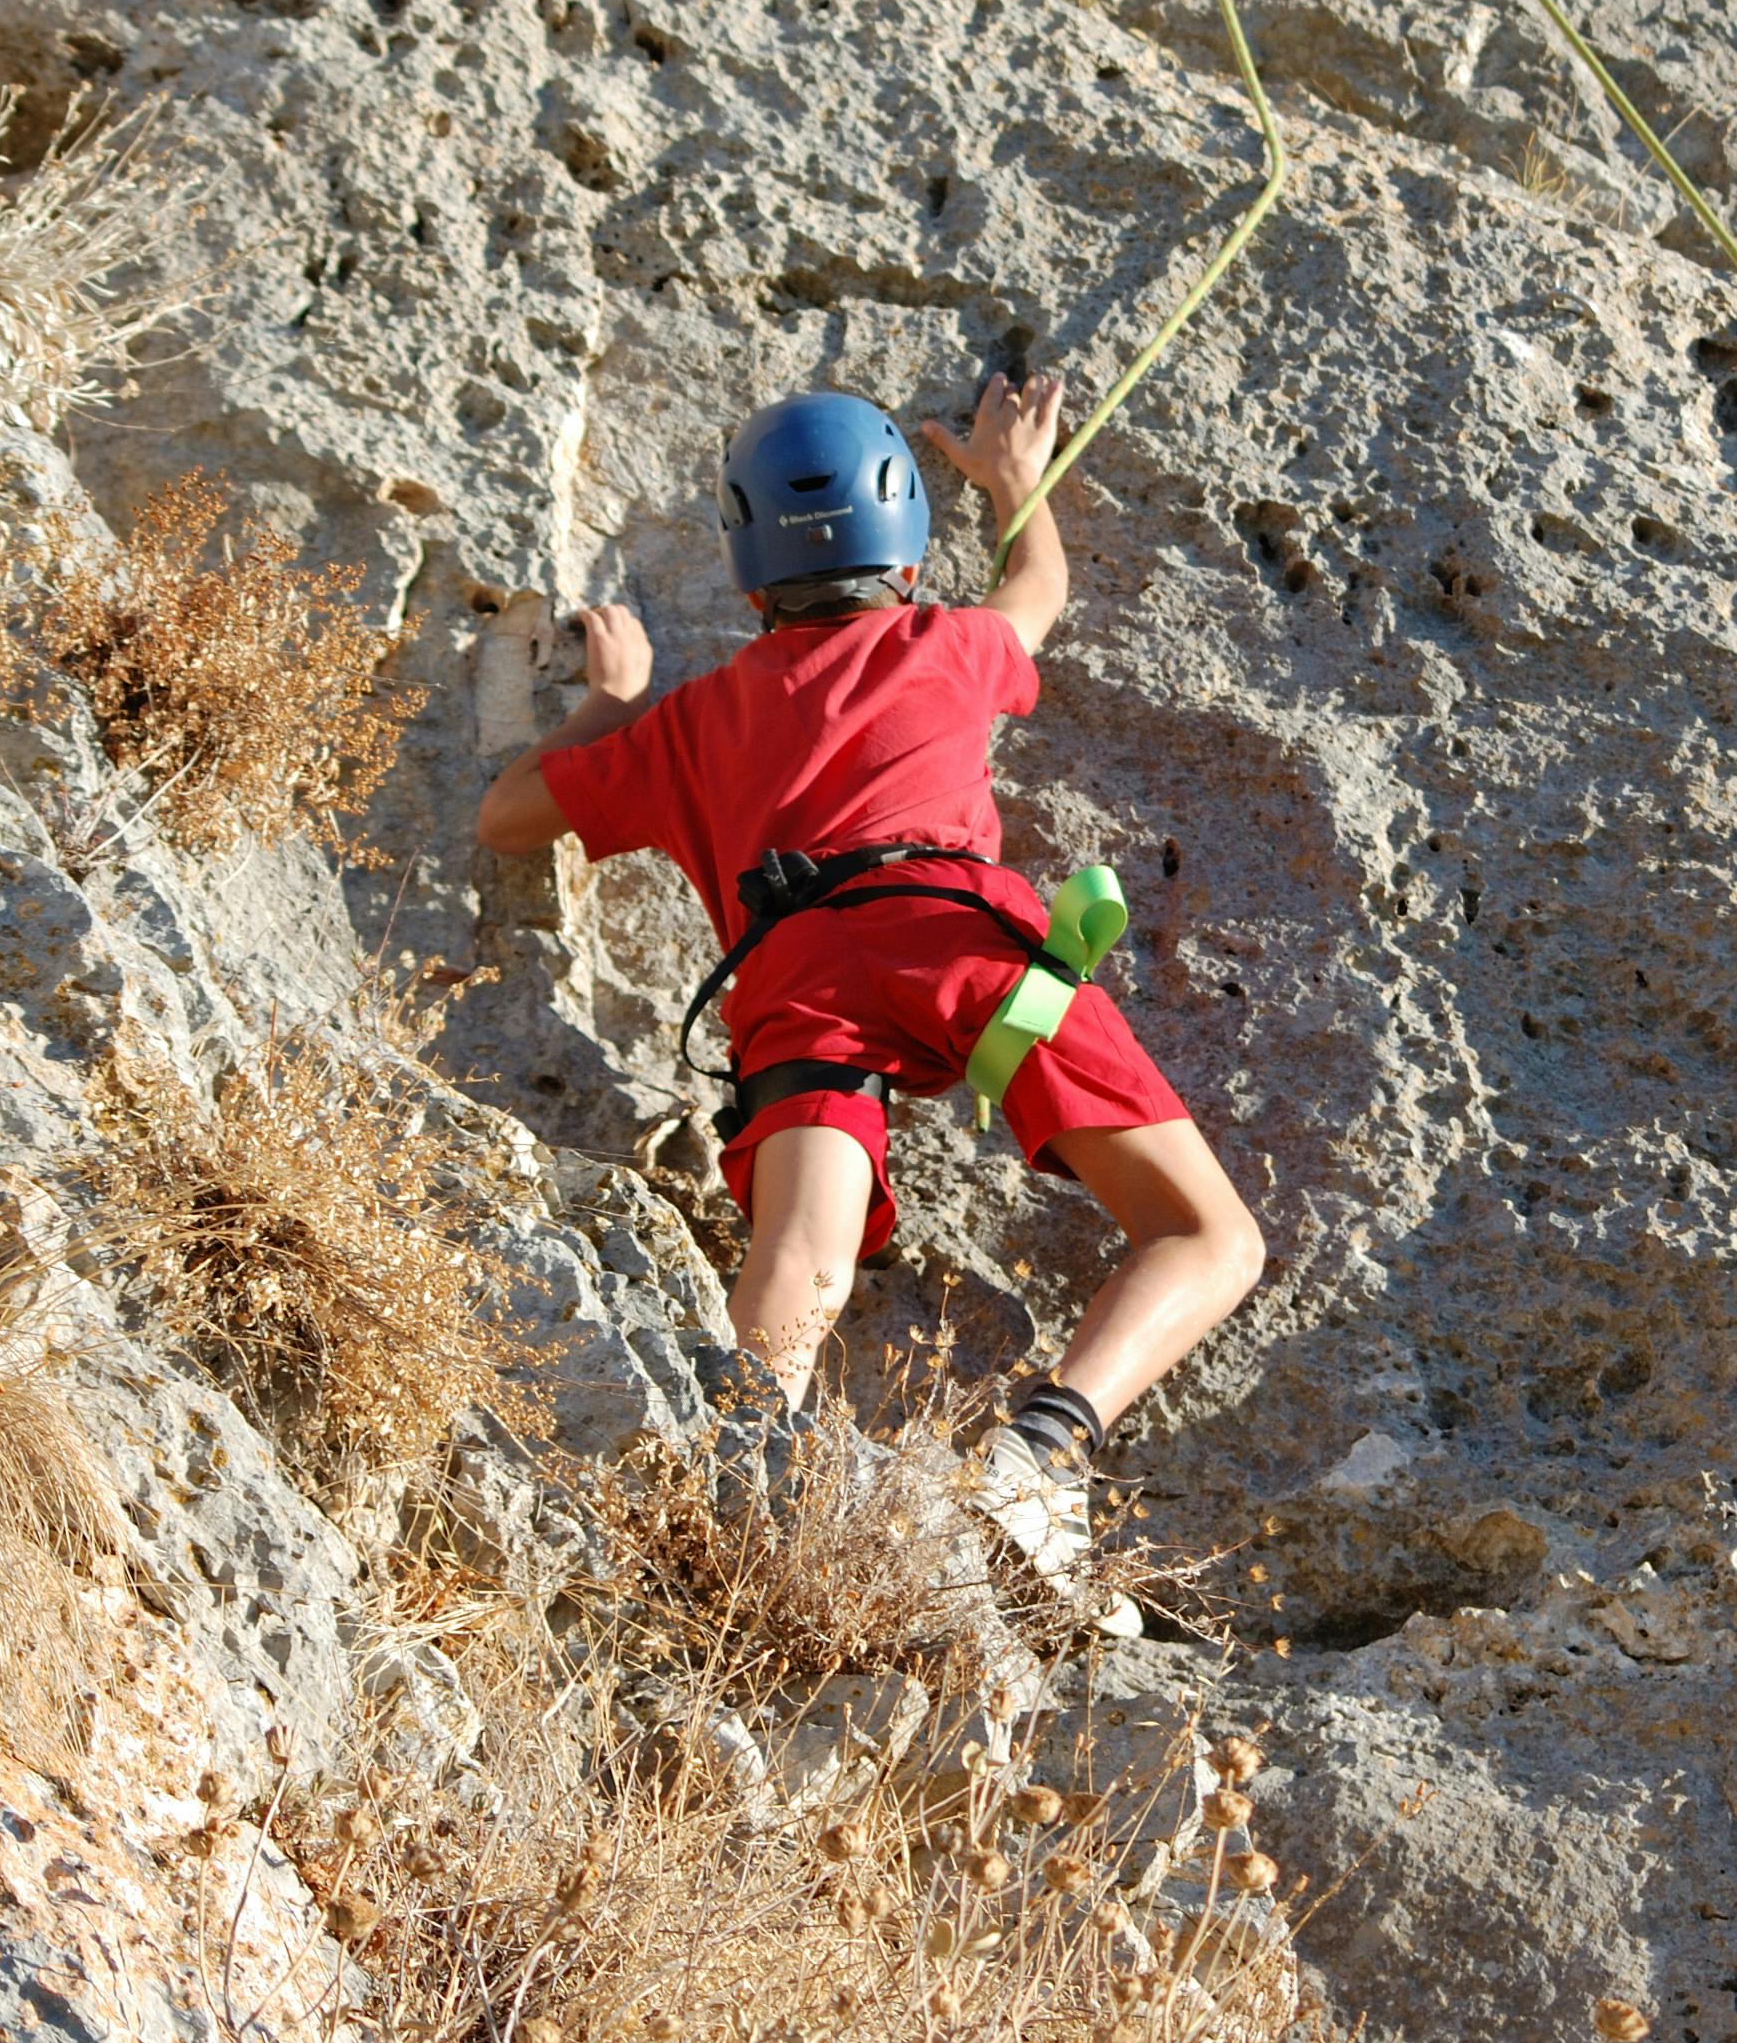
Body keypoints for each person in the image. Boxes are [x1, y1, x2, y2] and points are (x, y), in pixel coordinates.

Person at [476, 374, 1264, 1634]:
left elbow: (507, 817)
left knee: (803, 1260)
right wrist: (1017, 482)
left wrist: (609, 699)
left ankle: (725, 1493)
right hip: (963, 950)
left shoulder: (686, 725)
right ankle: (1034, 1461)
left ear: (746, 579)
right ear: (902, 555)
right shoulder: (943, 643)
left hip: (798, 985)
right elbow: (1038, 596)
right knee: (1207, 1238)